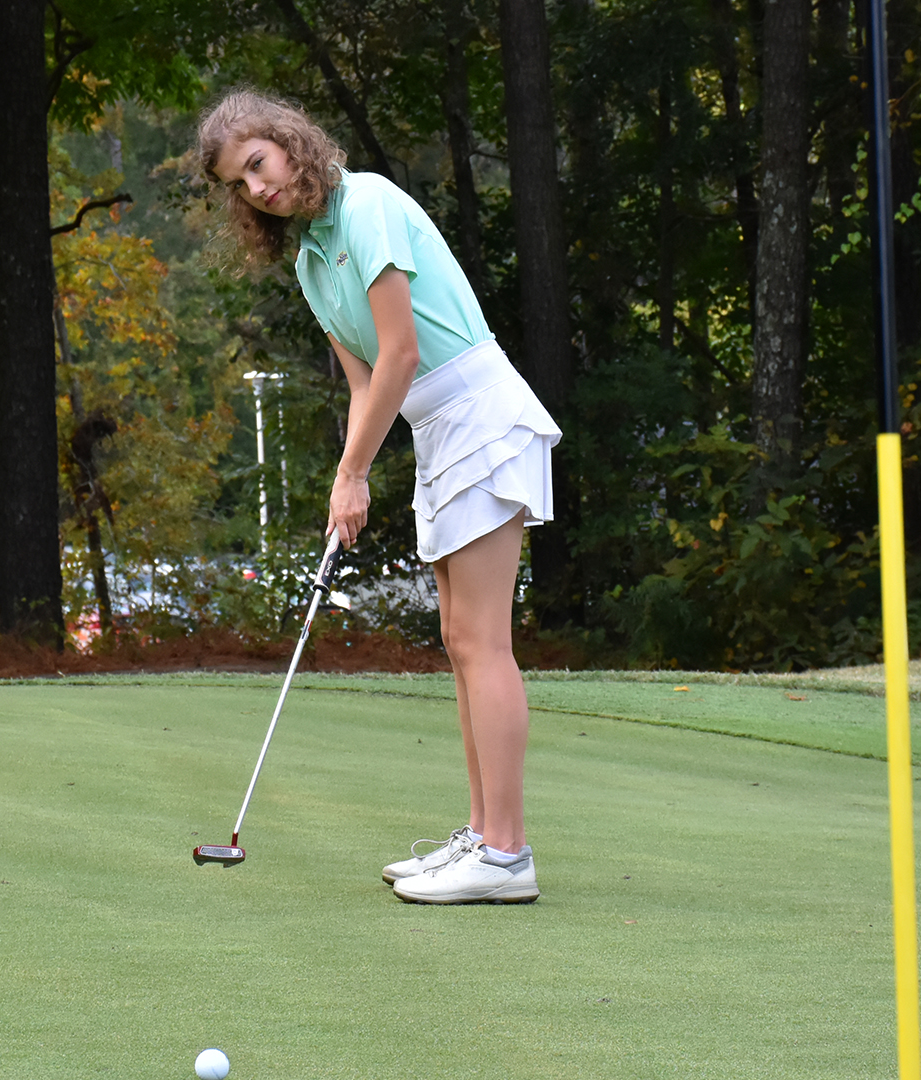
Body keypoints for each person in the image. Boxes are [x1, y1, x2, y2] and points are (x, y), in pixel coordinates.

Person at [200, 89, 560, 904]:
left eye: (258, 163)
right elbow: (367, 385)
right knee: (460, 638)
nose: (256, 188)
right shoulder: (308, 261)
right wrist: (347, 478)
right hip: (438, 429)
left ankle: (506, 855)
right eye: (239, 183)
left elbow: (399, 353)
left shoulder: (368, 205)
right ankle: (481, 836)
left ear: (289, 144)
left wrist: (354, 472)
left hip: (477, 410)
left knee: (483, 642)